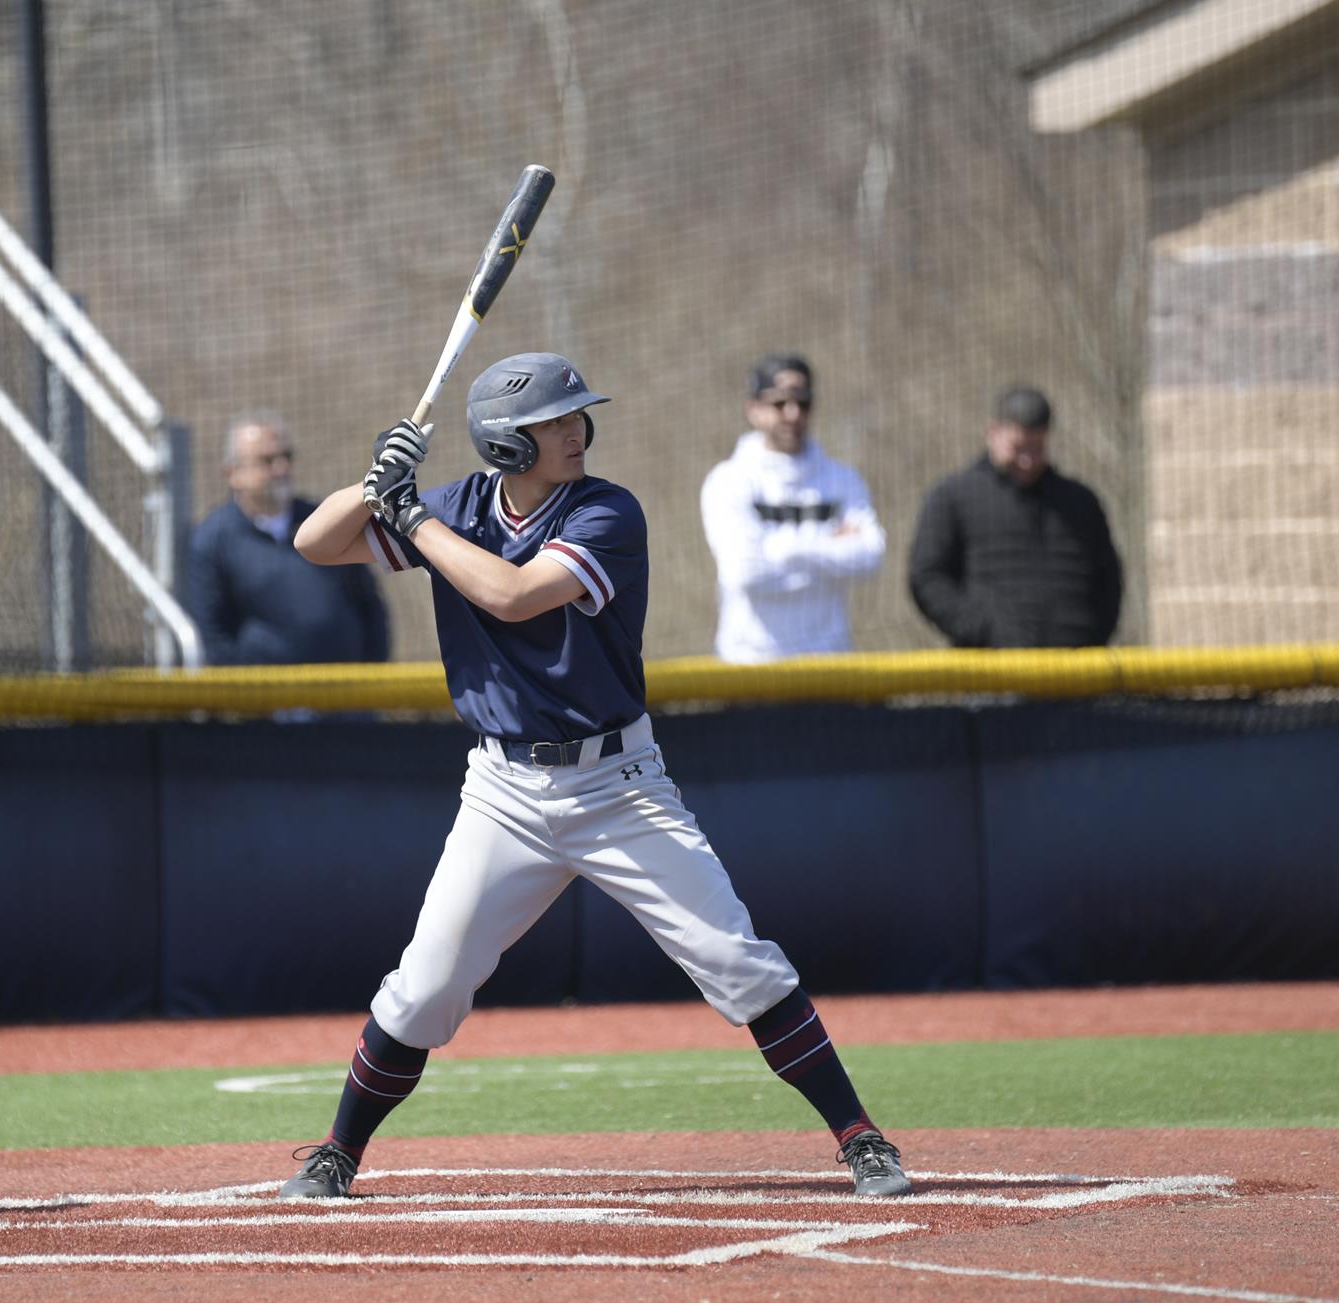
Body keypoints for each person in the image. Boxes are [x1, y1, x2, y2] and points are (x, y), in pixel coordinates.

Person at [283, 352, 911, 1201]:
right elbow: (313, 543)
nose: (575, 429)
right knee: (425, 985)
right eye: (552, 421)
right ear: (506, 444)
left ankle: (862, 1137)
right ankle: (337, 1152)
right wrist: (372, 486)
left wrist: (413, 521)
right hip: (502, 793)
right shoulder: (460, 506)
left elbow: (509, 593)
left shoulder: (607, 510)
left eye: (577, 414)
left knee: (736, 958)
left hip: (619, 785)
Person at [700, 353, 885, 661]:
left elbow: (871, 554)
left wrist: (776, 548)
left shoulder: (843, 479)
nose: (793, 413)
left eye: (803, 402)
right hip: (751, 666)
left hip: (829, 664)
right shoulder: (728, 480)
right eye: (779, 403)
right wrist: (828, 544)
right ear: (754, 409)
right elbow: (744, 571)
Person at [907, 386, 1123, 648]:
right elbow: (927, 576)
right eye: (1018, 448)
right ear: (993, 432)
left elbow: (1109, 580)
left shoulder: (1080, 502)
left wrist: (1088, 635)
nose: (1027, 461)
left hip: (1076, 672)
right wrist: (981, 629)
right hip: (991, 673)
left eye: (1037, 448)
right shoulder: (952, 497)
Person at [184, 412, 389, 665]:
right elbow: (214, 635)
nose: (281, 468)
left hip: (349, 694)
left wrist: (372, 675)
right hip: (272, 698)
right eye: (267, 460)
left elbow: (368, 604)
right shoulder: (214, 539)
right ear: (232, 472)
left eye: (286, 457)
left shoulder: (324, 521)